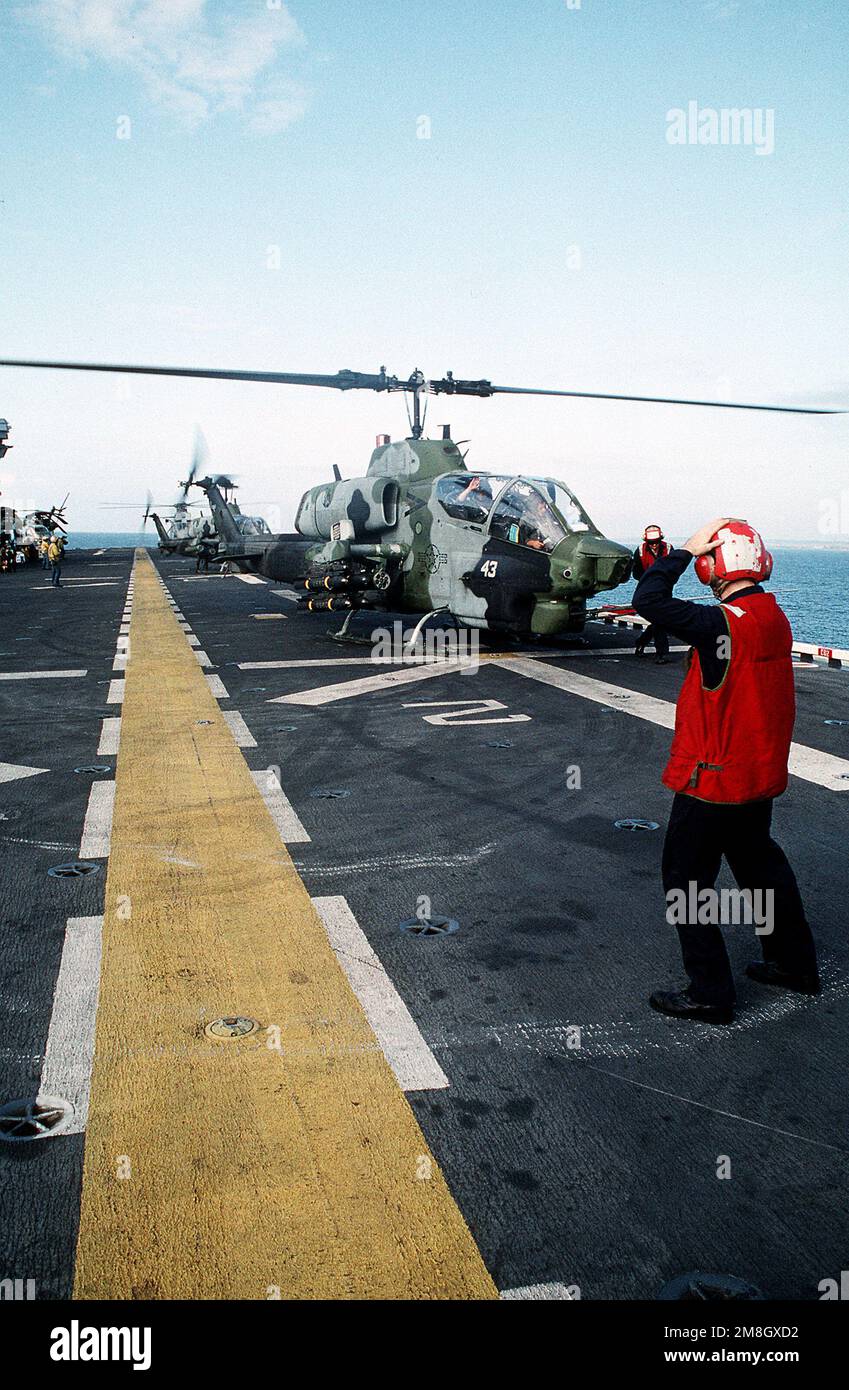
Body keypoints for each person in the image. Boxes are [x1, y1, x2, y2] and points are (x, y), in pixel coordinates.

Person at [633, 517, 819, 1025]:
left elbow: (648, 602)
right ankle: (793, 964)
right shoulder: (772, 617)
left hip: (711, 780)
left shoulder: (721, 624)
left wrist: (676, 553)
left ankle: (710, 993)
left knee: (686, 883)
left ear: (715, 564)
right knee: (761, 867)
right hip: (758, 778)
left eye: (704, 558)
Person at [632, 525, 671, 662]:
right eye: (651, 543)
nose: (654, 545)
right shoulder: (640, 551)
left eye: (656, 542)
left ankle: (642, 642)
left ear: (661, 539)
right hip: (647, 589)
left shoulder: (669, 549)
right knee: (660, 620)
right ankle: (661, 653)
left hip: (665, 589)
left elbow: (676, 568)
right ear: (646, 542)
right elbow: (636, 573)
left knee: (659, 620)